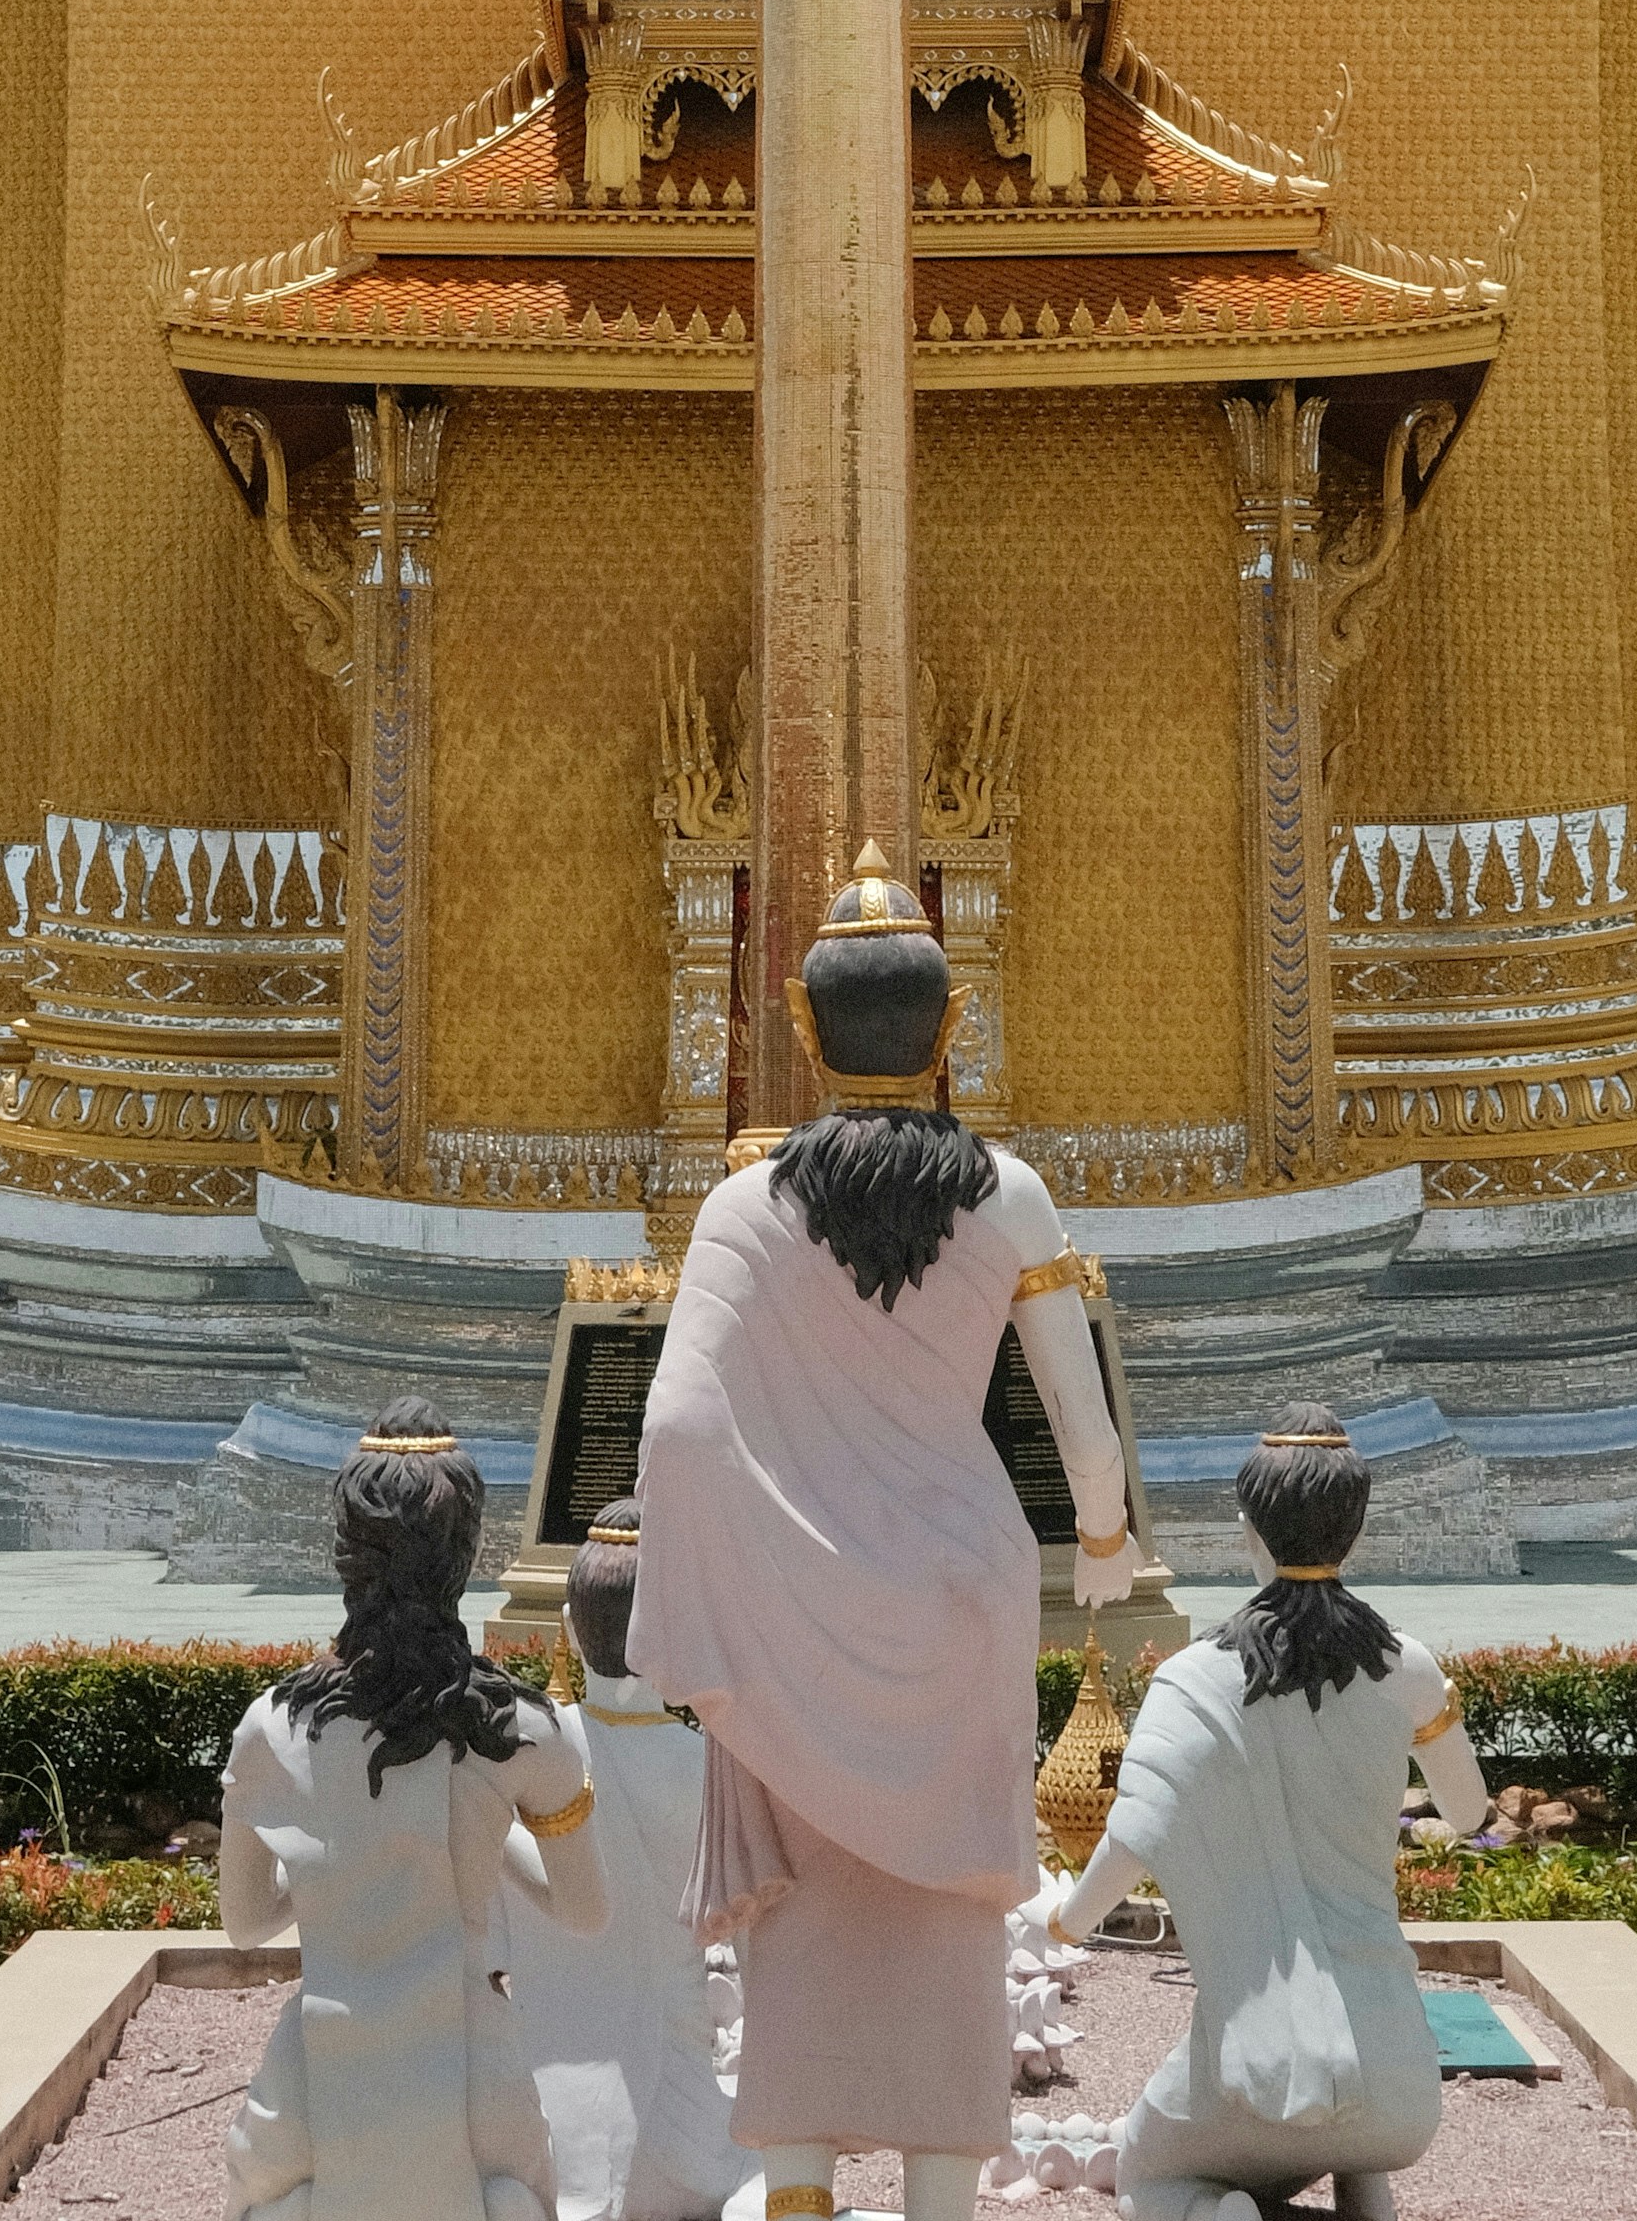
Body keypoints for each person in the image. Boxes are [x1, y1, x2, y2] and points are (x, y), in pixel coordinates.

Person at [633, 846, 1138, 2221]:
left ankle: (798, 2186)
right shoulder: (1009, 1195)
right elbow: (1084, 1434)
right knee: (946, 1931)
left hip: (793, 1610)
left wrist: (714, 1584)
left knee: (805, 1926)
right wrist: (1104, 1545)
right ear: (949, 1025)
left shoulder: (741, 1205)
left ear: (802, 1029)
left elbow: (675, 1428)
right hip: (963, 1595)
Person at [1038, 1419, 1495, 2215]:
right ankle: (1362, 2188)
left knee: (1148, 2178)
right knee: (1352, 2134)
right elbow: (1467, 1813)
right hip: (1398, 2086)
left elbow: (1128, 1845)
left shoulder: (1191, 1681)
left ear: (1247, 1530)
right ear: (1354, 1532)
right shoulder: (1408, 1667)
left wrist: (1060, 1925)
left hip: (1253, 2083)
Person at [219, 1419, 611, 2221]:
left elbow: (245, 1923)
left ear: (348, 1555)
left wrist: (326, 1858)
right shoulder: (520, 1730)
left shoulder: (273, 1724)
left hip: (312, 2091)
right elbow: (584, 1912)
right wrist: (486, 1834)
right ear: (463, 1554)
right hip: (473, 2081)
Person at [511, 1503, 736, 2221]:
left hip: (539, 2123)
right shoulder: (712, 1768)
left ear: (569, 1629)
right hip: (681, 2128)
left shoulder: (520, 1759)